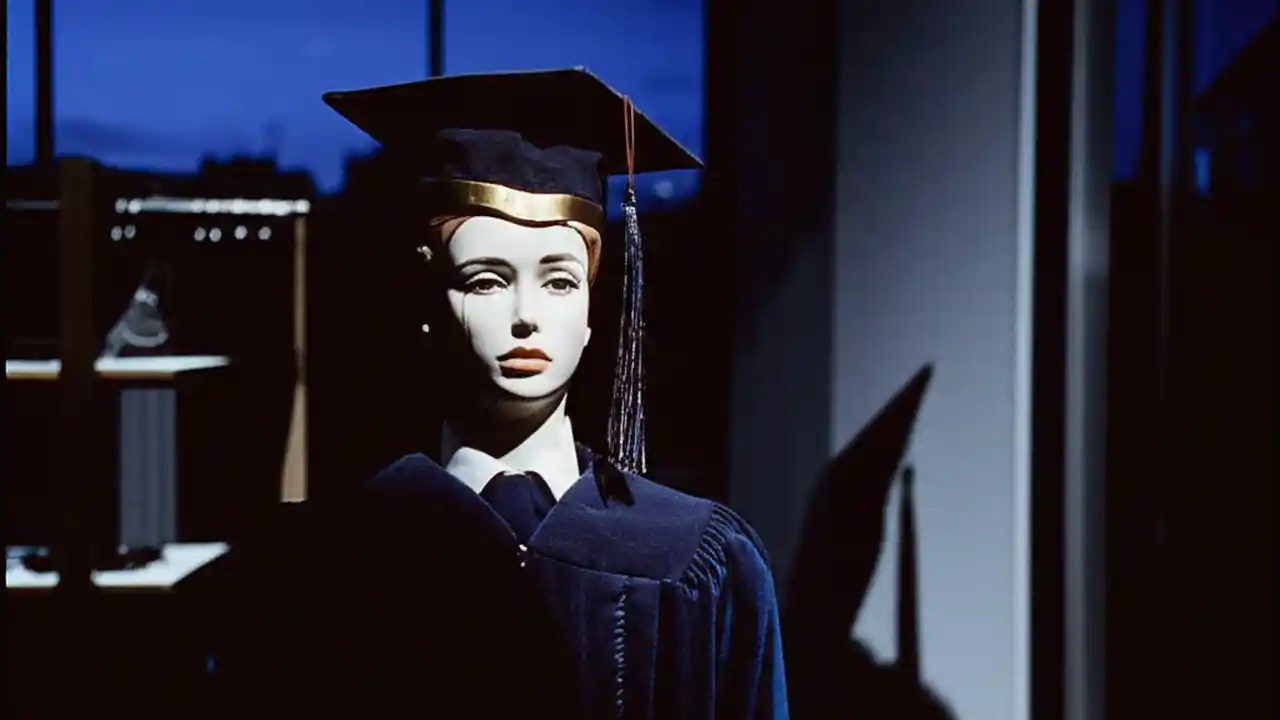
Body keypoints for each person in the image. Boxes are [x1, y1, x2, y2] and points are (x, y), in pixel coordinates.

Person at [214, 68, 788, 719]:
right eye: (486, 280)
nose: (526, 315)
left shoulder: (700, 563)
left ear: (594, 312)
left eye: (560, 281)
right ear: (430, 306)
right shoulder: (318, 567)